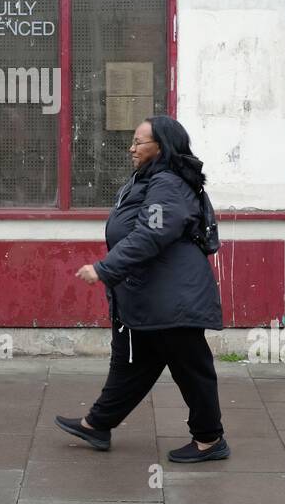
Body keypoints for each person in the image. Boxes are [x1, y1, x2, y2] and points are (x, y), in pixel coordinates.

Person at [55, 114, 229, 463]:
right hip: (152, 295)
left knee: (191, 368)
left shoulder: (167, 183)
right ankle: (97, 424)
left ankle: (210, 439)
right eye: (133, 141)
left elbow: (152, 233)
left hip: (174, 298)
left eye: (139, 141)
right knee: (134, 363)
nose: (131, 148)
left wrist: (105, 269)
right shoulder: (150, 179)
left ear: (161, 147)